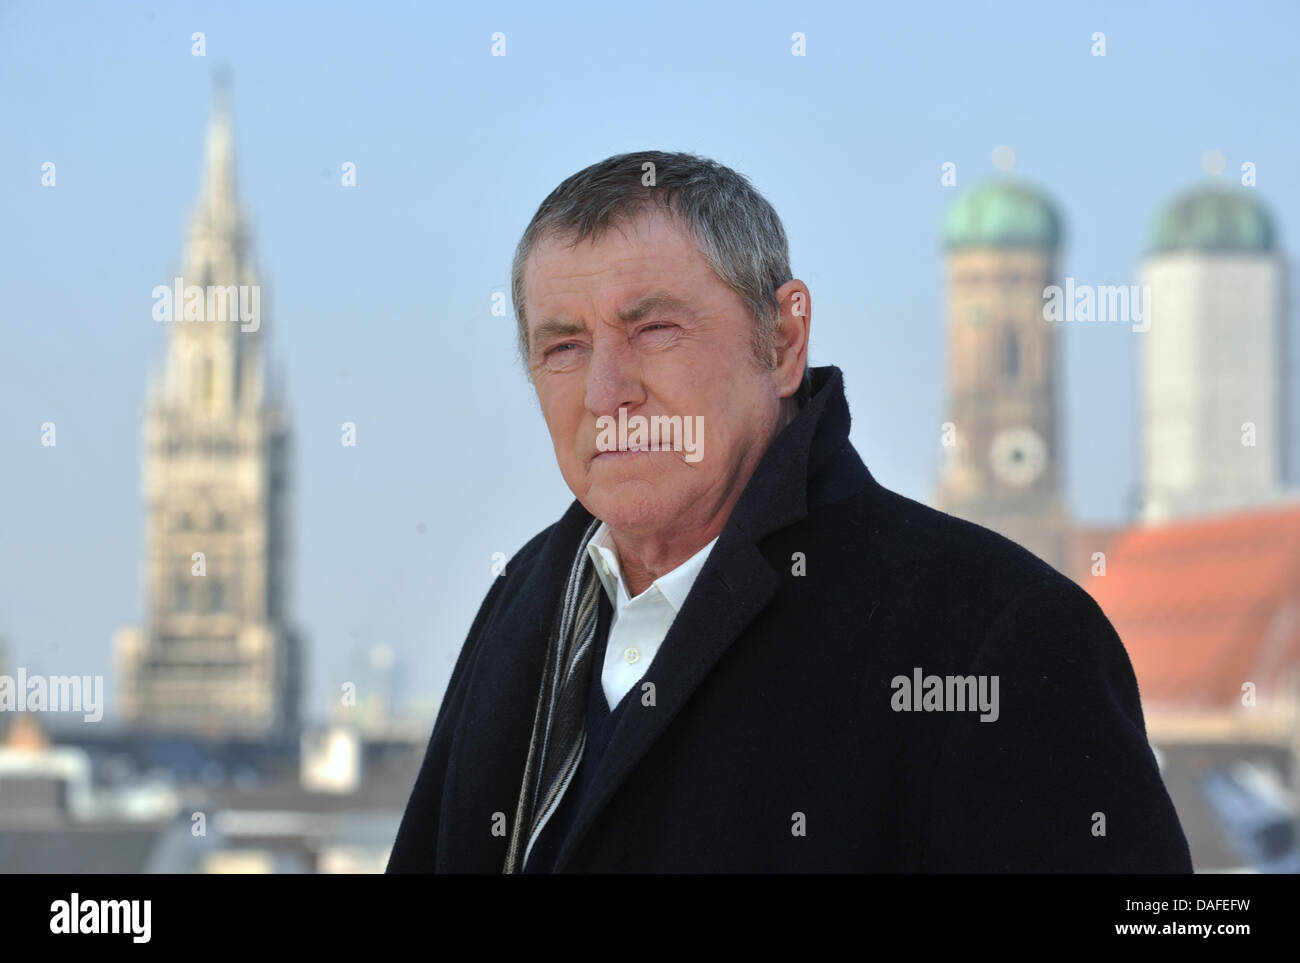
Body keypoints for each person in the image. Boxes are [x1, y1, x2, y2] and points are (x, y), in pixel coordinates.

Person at [386, 151, 1192, 873]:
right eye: (563, 346)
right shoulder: (524, 599)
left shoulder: (1000, 632)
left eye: (654, 329)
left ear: (781, 341)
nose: (606, 393)